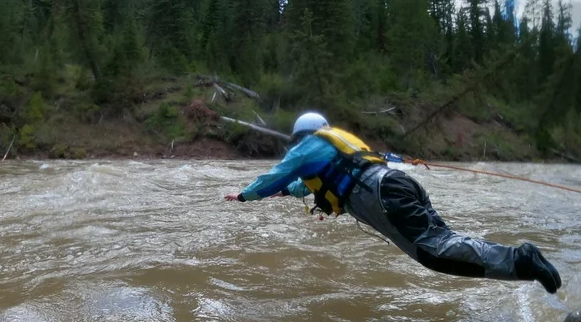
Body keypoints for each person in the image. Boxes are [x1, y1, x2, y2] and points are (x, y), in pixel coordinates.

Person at [225, 111, 562, 294]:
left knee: (434, 252)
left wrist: (244, 195)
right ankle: (521, 265)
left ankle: (521, 260)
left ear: (301, 136)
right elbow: (300, 185)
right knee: (442, 245)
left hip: (379, 196)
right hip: (397, 184)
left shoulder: (307, 147)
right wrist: (286, 192)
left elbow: (278, 174)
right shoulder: (337, 147)